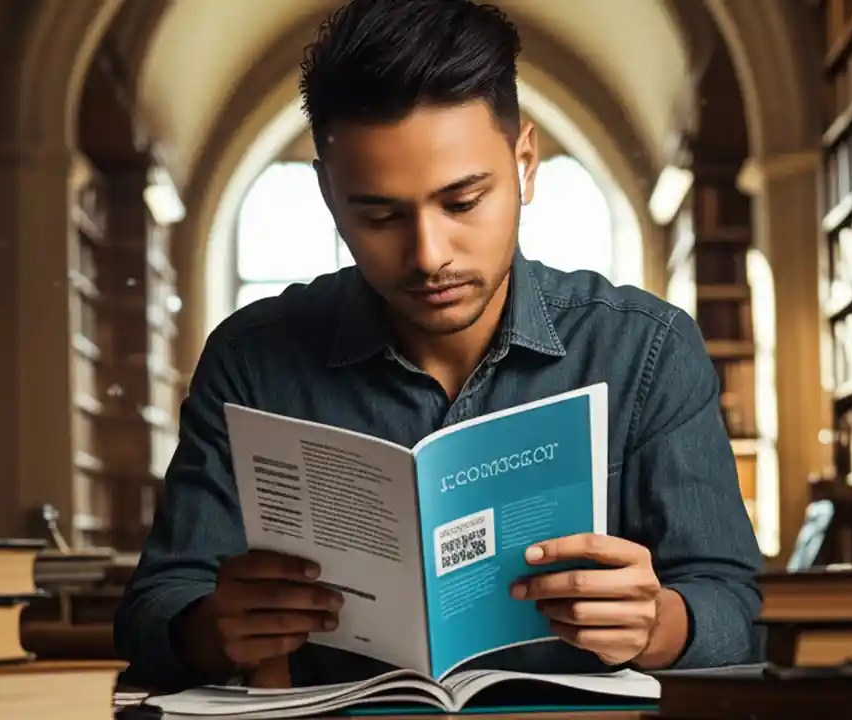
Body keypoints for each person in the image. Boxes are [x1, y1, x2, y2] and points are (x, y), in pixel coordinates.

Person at [114, 0, 761, 691]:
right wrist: (212, 628)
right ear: (330, 195)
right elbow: (153, 610)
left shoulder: (647, 350)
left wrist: (659, 621)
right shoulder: (250, 361)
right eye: (380, 214)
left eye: (463, 202)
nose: (428, 256)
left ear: (525, 164)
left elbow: (740, 611)